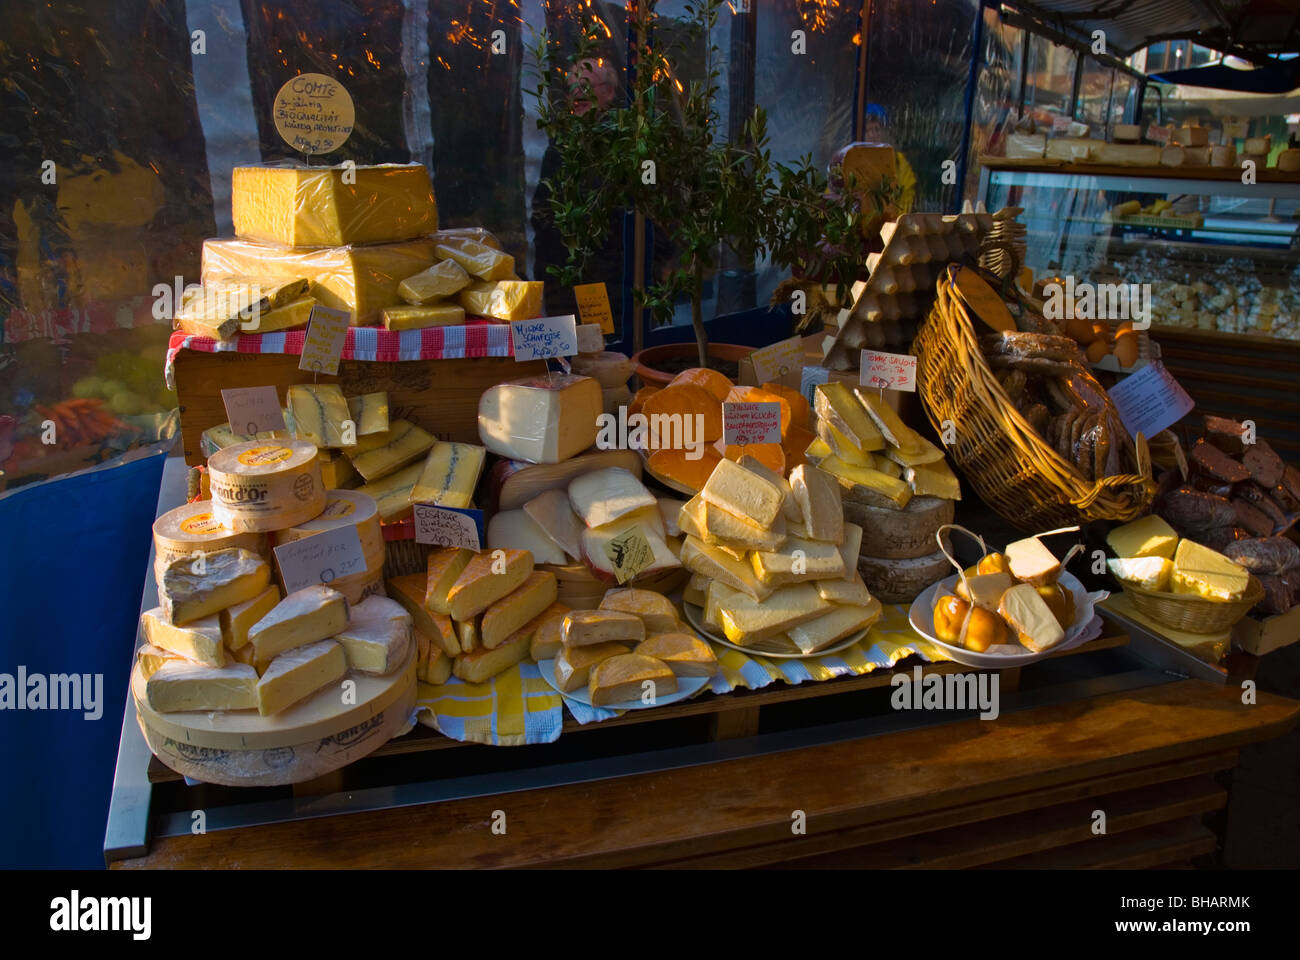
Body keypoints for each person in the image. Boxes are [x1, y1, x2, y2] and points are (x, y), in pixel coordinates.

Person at [862, 103, 917, 214]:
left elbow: (907, 197)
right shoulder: (846, 158)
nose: (872, 135)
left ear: (885, 132)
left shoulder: (899, 162)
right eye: (867, 130)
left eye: (877, 129)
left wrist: (892, 224)